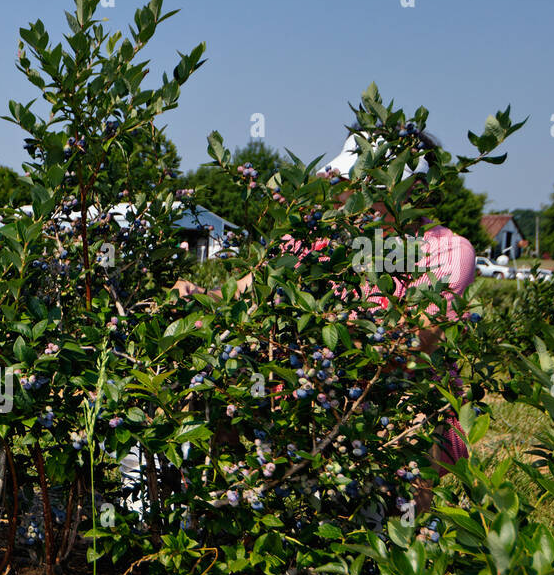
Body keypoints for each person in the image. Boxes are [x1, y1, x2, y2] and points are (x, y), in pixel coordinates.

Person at [171, 128, 474, 514]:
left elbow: (409, 350)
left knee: (408, 424)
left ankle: (405, 546)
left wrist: (329, 333)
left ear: (410, 186)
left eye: (362, 183)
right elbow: (245, 294)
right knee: (224, 374)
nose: (346, 193)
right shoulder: (318, 237)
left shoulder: (446, 251)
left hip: (396, 403)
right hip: (320, 393)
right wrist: (197, 295)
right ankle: (217, 516)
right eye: (346, 182)